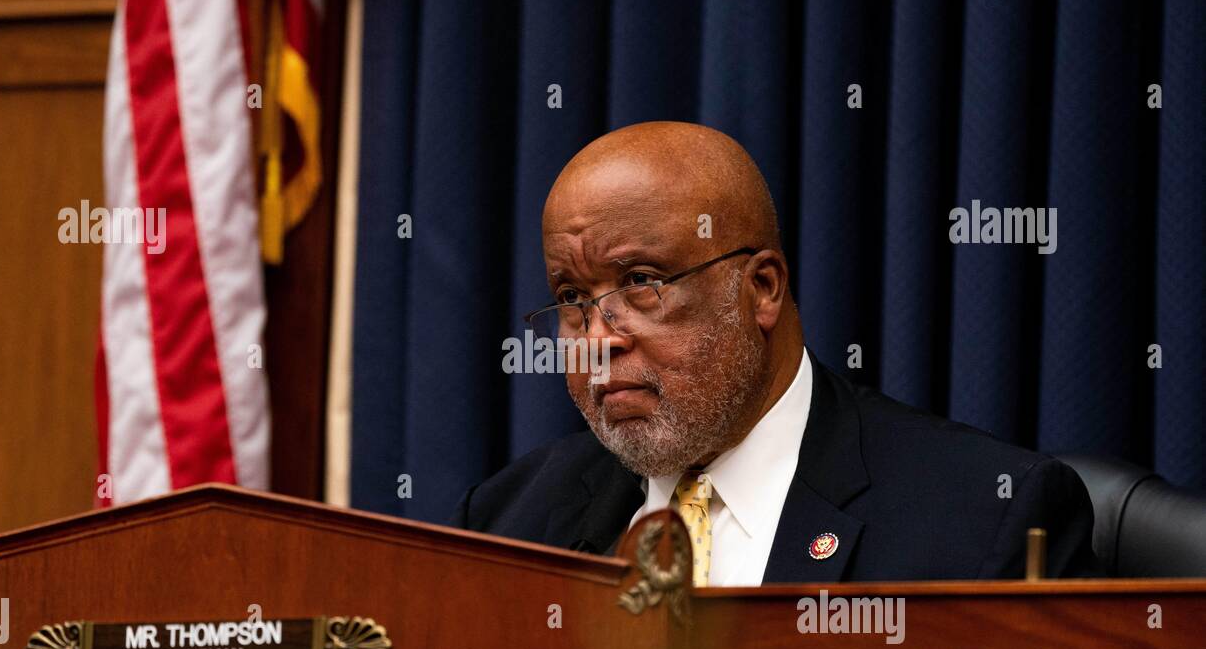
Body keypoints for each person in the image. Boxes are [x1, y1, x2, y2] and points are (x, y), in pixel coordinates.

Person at [450, 122, 1097, 583]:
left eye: (643, 283)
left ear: (760, 289)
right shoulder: (508, 519)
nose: (598, 340)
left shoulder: (985, 519)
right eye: (571, 296)